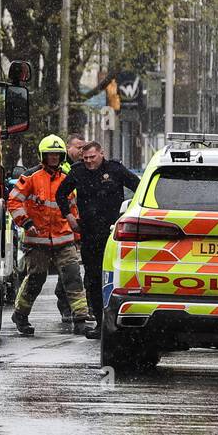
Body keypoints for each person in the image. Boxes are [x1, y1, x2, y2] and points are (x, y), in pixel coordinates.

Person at [8, 135, 91, 336]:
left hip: (64, 239)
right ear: (42, 156)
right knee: (36, 278)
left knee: (72, 277)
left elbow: (73, 208)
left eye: (56, 155)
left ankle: (80, 319)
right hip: (37, 241)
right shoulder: (30, 177)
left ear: (62, 156)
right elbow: (14, 201)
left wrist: (78, 236)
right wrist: (26, 223)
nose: (53, 158)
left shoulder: (66, 178)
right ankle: (20, 314)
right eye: (49, 155)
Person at [55, 141, 140, 337]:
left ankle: (118, 323)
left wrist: (130, 214)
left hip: (113, 234)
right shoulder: (78, 172)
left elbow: (139, 187)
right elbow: (60, 194)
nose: (89, 162)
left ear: (102, 154)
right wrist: (69, 217)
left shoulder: (115, 170)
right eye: (85, 159)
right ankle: (101, 325)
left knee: (113, 278)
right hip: (89, 233)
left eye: (92, 157)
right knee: (93, 280)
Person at [54, 136, 88, 321]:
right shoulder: (64, 168)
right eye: (78, 147)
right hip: (61, 227)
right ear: (68, 148)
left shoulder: (81, 168)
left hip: (74, 227)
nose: (82, 151)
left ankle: (77, 310)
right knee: (68, 271)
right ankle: (68, 308)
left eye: (84, 147)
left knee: (71, 270)